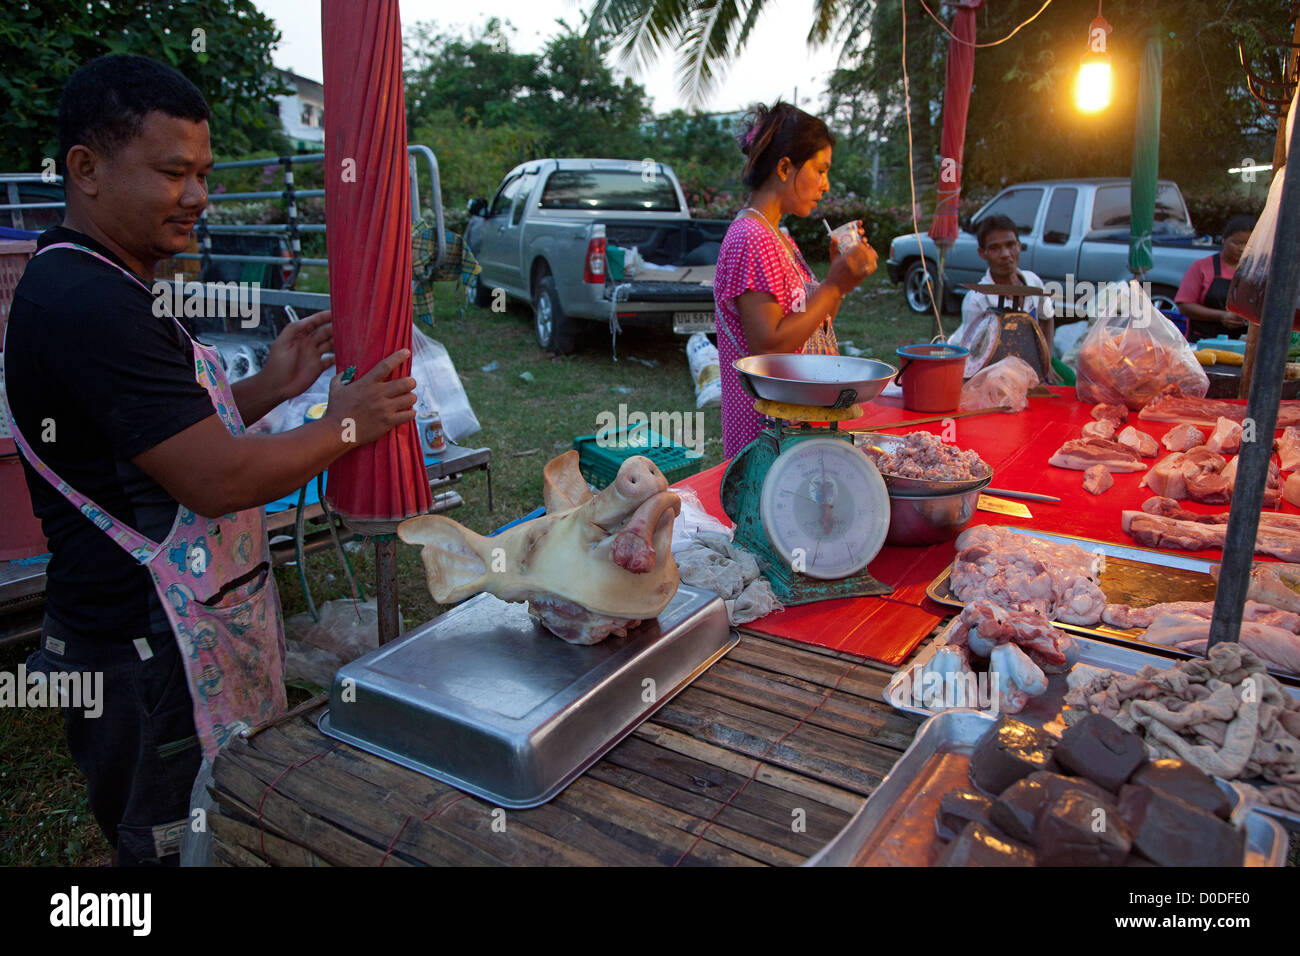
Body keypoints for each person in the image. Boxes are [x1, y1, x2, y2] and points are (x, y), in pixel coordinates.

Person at [3, 55, 418, 865]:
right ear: (85, 169)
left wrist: (268, 387)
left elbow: (152, 437)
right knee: (170, 848)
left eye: (203, 173)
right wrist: (346, 428)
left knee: (217, 827)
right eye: (171, 173)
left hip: (174, 634)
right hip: (142, 653)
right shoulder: (89, 303)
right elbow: (215, 478)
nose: (197, 196)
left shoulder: (111, 283)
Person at [713, 101, 877, 458]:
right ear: (786, 167)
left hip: (794, 428)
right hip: (766, 436)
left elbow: (808, 330)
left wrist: (841, 280)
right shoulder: (750, 238)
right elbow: (769, 349)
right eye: (820, 170)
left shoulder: (778, 236)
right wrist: (833, 285)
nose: (826, 184)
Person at [951, 214, 1056, 359]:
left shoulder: (1033, 281)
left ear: (1019, 246)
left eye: (1010, 245)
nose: (1005, 254)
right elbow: (973, 356)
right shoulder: (976, 300)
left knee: (1072, 377)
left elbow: (1047, 317)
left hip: (1030, 359)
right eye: (995, 248)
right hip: (992, 366)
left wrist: (1046, 359)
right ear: (982, 253)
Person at [1176, 215, 1256, 342]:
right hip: (1202, 342)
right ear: (1223, 240)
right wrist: (1221, 316)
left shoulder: (1256, 271)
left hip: (1242, 343)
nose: (1241, 249)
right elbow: (1185, 306)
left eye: (1247, 244)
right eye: (1236, 243)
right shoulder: (1202, 267)